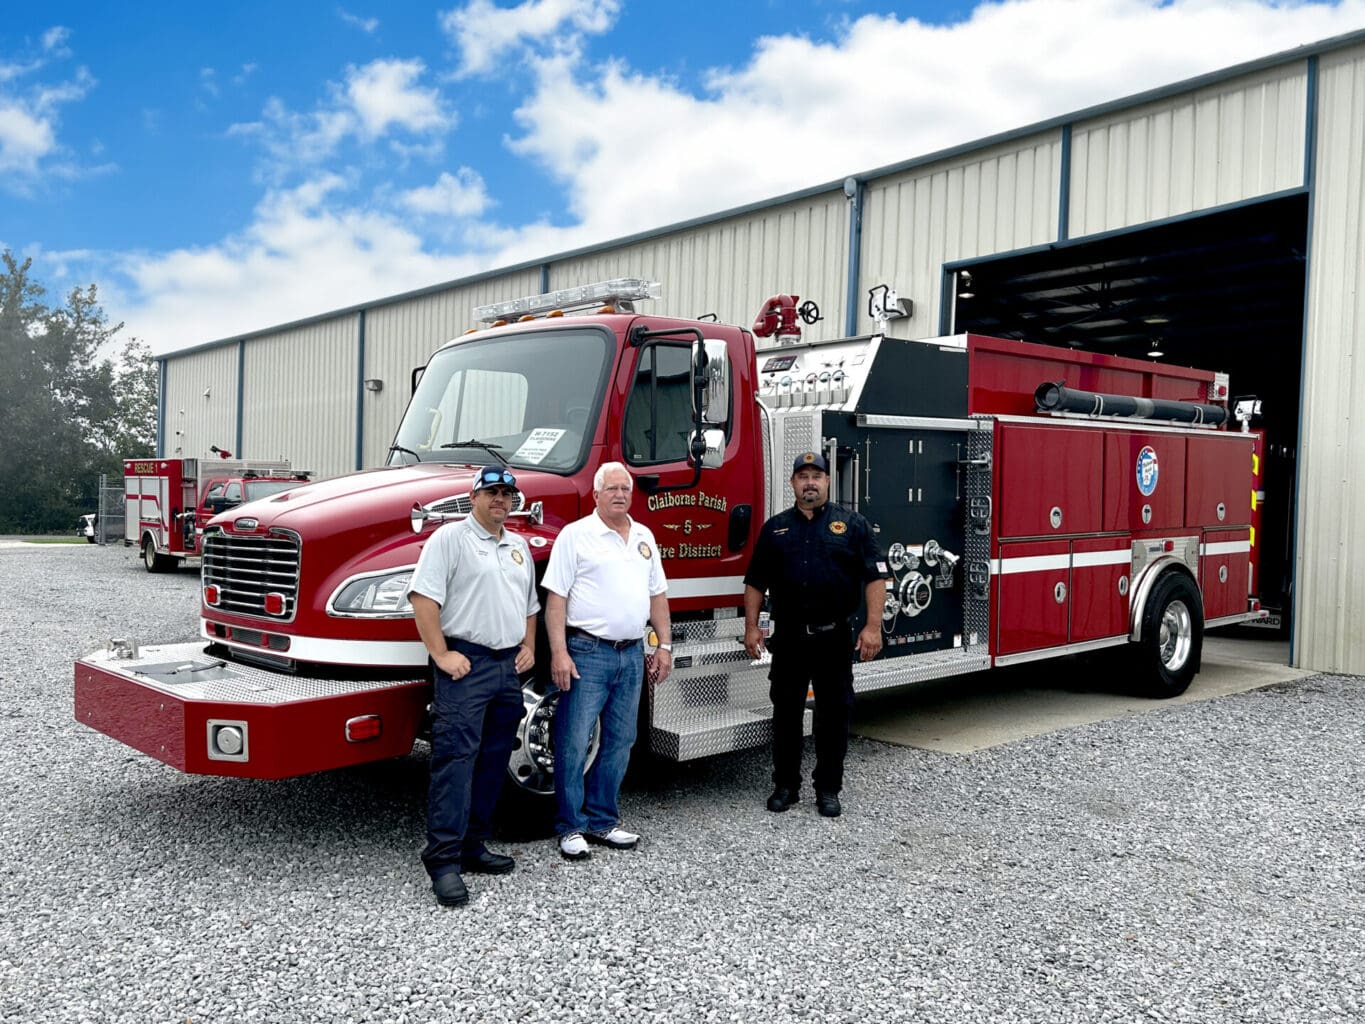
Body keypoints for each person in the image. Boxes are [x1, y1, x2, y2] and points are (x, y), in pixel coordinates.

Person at [408, 465, 539, 907]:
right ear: (474, 497)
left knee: (492, 761)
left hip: (506, 668)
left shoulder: (518, 545)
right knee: (455, 762)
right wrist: (442, 654)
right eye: (492, 493)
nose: (500, 500)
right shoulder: (449, 539)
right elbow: (423, 598)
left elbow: (530, 604)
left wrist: (530, 645)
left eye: (507, 493)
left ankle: (473, 846)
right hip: (465, 665)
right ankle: (443, 862)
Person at [743, 452, 886, 818]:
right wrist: (751, 626)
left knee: (833, 715)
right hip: (789, 638)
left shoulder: (852, 525)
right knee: (786, 713)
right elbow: (756, 581)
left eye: (816, 476)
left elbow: (874, 578)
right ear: (792, 483)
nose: (810, 482)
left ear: (827, 482)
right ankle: (786, 785)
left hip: (834, 637)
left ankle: (828, 789)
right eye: (802, 476)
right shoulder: (775, 529)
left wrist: (872, 627)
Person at [544, 462, 672, 860]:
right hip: (587, 652)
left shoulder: (644, 537)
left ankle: (603, 820)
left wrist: (664, 645)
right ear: (596, 495)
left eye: (626, 489)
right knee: (574, 739)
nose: (620, 494)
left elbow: (658, 597)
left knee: (620, 740)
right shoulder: (575, 536)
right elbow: (556, 599)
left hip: (632, 654)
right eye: (611, 488)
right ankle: (570, 827)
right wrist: (559, 652)